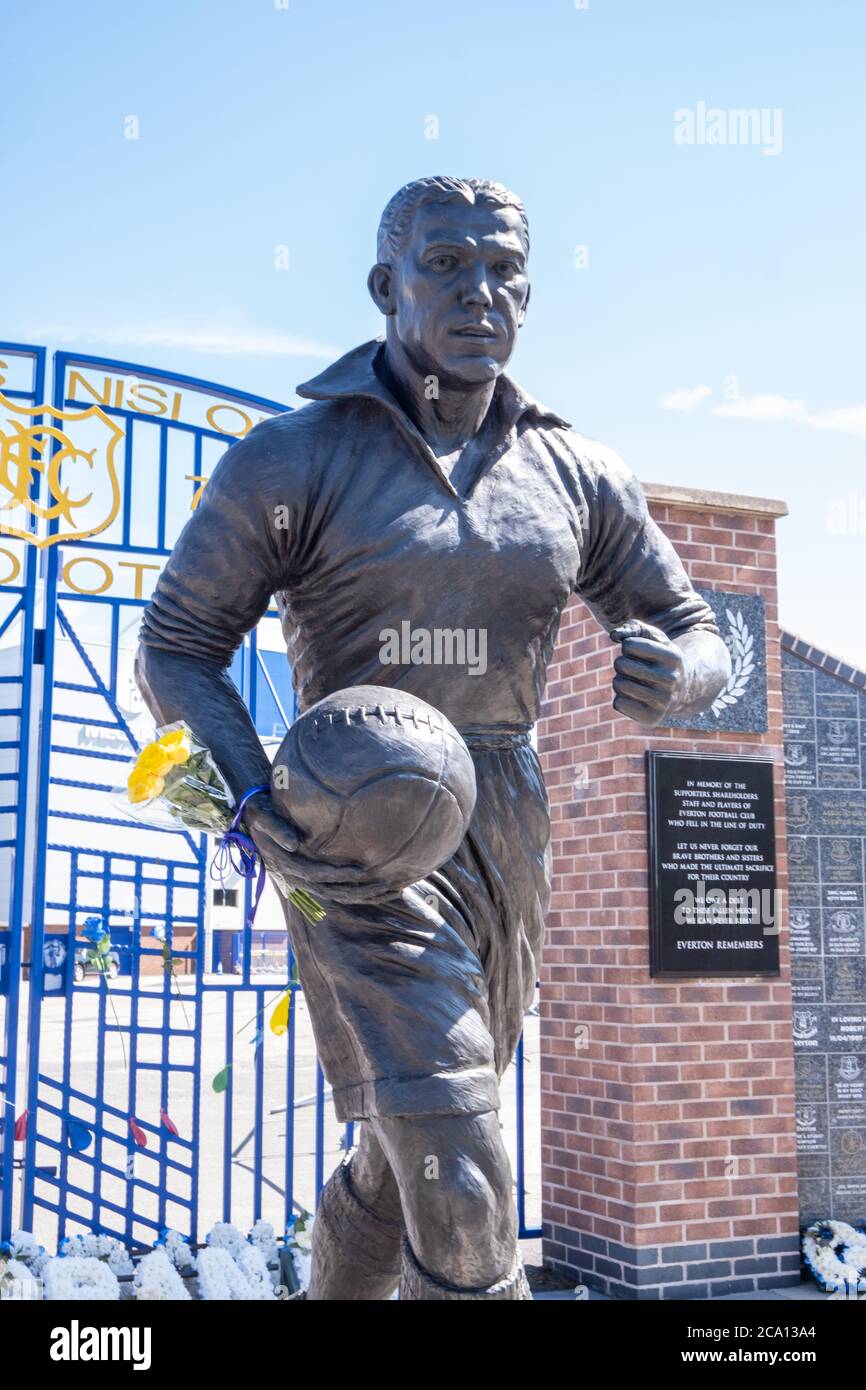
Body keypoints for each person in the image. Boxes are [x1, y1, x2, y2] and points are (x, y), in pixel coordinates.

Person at [135, 176, 731, 1300]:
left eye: (503, 270)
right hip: (354, 829)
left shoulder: (574, 470)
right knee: (460, 1165)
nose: (479, 291)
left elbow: (695, 629)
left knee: (399, 1143)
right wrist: (258, 804)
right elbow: (177, 644)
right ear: (385, 287)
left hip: (504, 818)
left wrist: (681, 670)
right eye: (447, 264)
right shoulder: (292, 456)